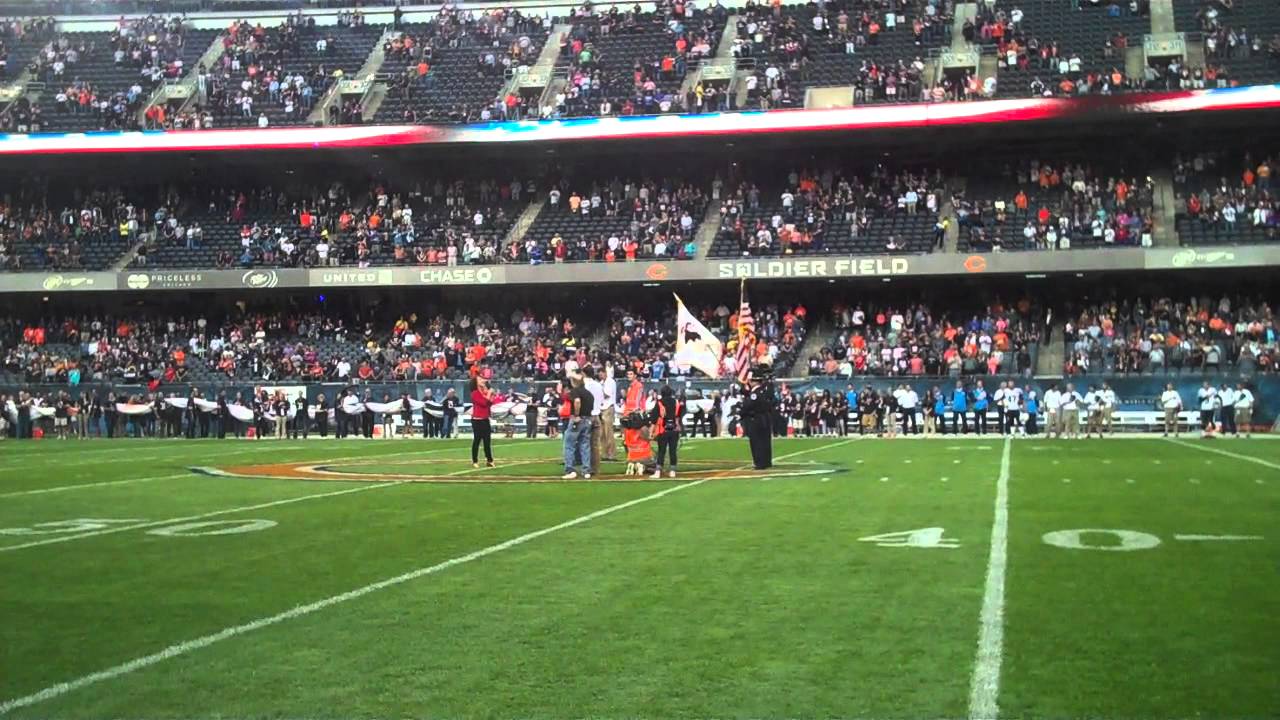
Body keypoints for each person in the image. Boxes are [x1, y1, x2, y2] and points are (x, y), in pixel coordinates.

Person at [740, 366, 775, 470]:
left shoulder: (755, 393)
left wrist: (741, 412)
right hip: (765, 418)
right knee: (765, 441)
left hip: (755, 419)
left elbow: (748, 405)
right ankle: (766, 461)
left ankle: (759, 462)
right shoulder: (763, 391)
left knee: (757, 441)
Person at [562, 375, 594, 479]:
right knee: (585, 445)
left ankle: (570, 470)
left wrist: (576, 415)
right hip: (588, 419)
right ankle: (586, 471)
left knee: (569, 444)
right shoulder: (589, 394)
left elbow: (577, 401)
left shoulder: (575, 391)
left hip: (578, 420)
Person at [650, 385, 682, 478]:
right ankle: (672, 471)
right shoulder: (676, 402)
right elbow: (678, 416)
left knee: (661, 451)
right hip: (674, 429)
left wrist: (651, 432)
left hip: (662, 429)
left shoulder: (659, 403)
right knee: (673, 450)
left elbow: (654, 419)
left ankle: (658, 471)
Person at [469, 376, 500, 468]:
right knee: (477, 440)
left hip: (485, 418)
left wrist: (492, 395)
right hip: (477, 420)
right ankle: (475, 460)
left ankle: (489, 460)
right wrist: (489, 394)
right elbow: (483, 403)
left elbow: (489, 403)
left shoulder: (483, 392)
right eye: (479, 379)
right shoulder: (475, 393)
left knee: (487, 441)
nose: (482, 381)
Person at [583, 366, 605, 476]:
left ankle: (586, 468)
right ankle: (595, 469)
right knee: (595, 444)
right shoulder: (598, 385)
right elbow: (601, 401)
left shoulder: (584, 385)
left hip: (587, 416)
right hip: (597, 415)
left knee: (584, 443)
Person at [601, 365, 619, 460]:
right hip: (602, 408)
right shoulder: (602, 382)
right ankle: (604, 453)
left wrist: (598, 392)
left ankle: (612, 453)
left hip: (608, 407)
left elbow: (607, 395)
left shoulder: (610, 381)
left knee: (608, 432)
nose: (600, 376)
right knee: (602, 433)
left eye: (601, 373)